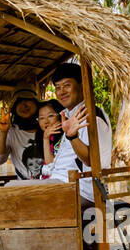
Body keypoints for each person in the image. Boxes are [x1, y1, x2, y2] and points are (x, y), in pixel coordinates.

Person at [44, 62, 111, 205]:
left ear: (82, 85)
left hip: (83, 190)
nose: (61, 92)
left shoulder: (92, 116)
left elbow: (91, 161)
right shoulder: (70, 116)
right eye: (58, 87)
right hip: (60, 184)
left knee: (17, 194)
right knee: (10, 191)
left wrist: (72, 137)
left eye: (67, 85)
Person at [0, 87, 43, 179]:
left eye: (28, 100)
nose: (24, 105)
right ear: (14, 108)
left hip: (50, 186)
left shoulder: (47, 127)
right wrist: (3, 132)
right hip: (24, 189)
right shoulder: (11, 131)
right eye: (19, 101)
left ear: (36, 104)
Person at [34, 98, 66, 179]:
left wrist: (46, 138)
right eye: (41, 118)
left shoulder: (66, 136)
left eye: (50, 116)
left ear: (60, 115)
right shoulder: (44, 137)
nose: (46, 121)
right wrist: (45, 138)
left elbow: (50, 164)